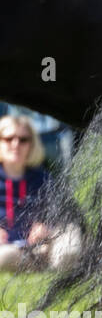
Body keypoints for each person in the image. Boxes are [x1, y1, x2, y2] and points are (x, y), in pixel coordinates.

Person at [0, 113, 50, 271]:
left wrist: (45, 226)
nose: (16, 144)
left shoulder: (43, 178)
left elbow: (67, 214)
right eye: (9, 139)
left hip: (36, 248)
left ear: (31, 144)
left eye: (23, 140)